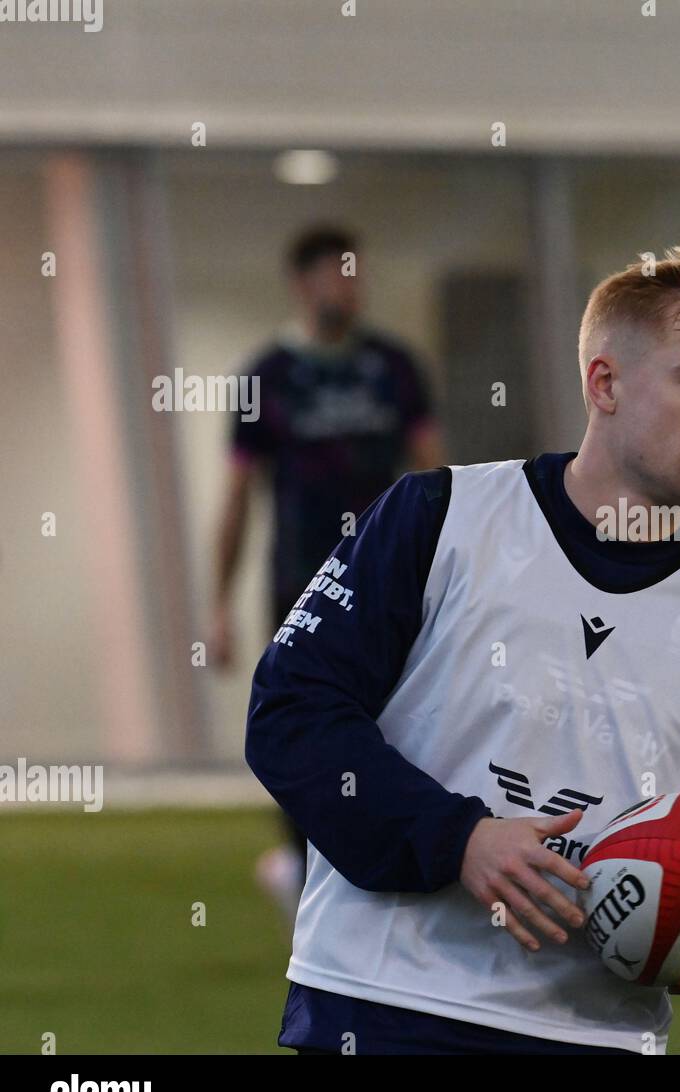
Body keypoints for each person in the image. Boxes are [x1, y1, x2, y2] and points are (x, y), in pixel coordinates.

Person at [243, 244, 680, 1054]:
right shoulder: (437, 519)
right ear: (604, 383)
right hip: (381, 1006)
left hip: (600, 1036)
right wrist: (459, 839)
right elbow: (292, 714)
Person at [210, 224, 444, 920]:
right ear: (302, 281)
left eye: (356, 272)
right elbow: (237, 496)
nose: (351, 285)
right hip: (302, 585)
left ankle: (379, 869)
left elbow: (433, 472)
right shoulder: (266, 377)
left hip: (391, 582)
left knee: (396, 723)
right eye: (337, 273)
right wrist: (217, 606)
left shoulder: (395, 367)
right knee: (303, 725)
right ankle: (303, 867)